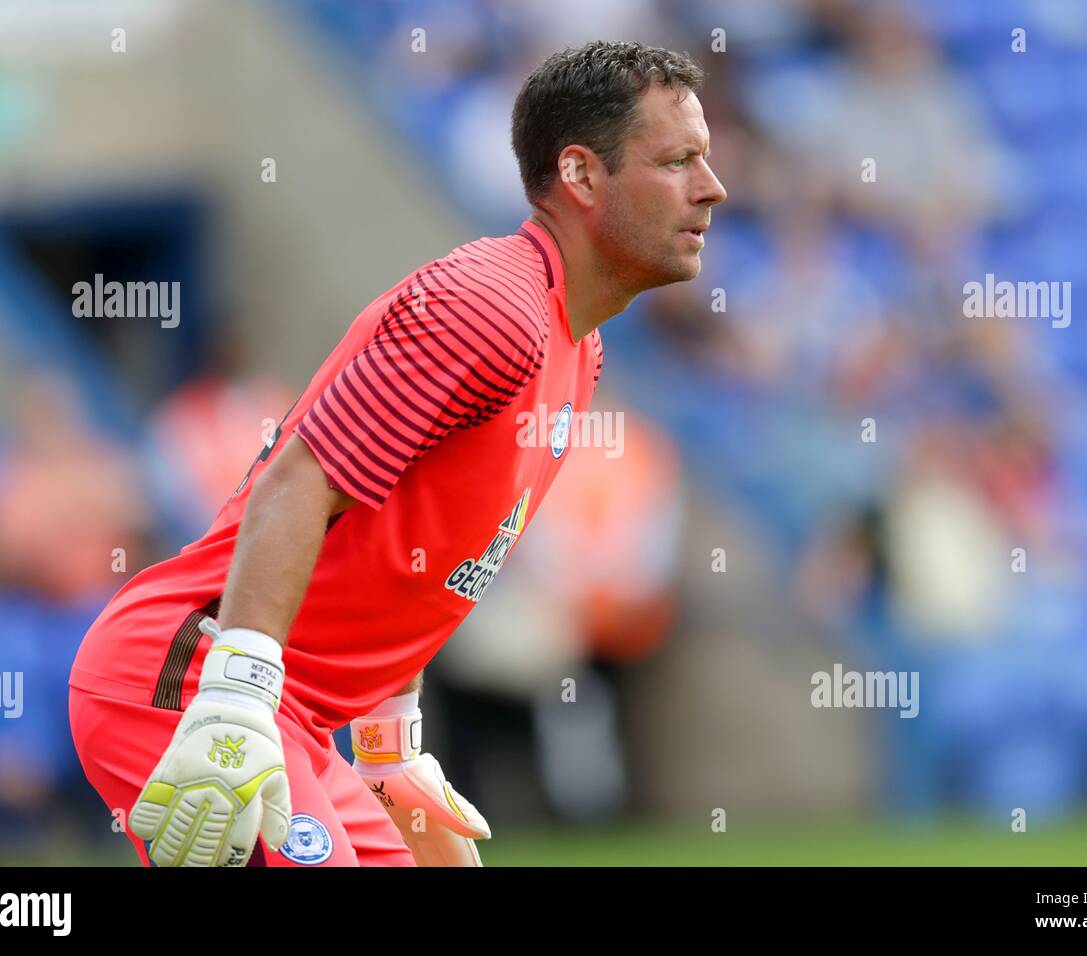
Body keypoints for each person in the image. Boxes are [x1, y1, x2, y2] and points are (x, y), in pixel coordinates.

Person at [67, 39, 727, 867]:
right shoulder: (492, 309)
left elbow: (413, 563)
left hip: (298, 715)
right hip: (192, 677)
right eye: (678, 161)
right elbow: (296, 483)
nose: (713, 188)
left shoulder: (575, 348)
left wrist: (390, 745)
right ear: (584, 176)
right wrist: (233, 699)